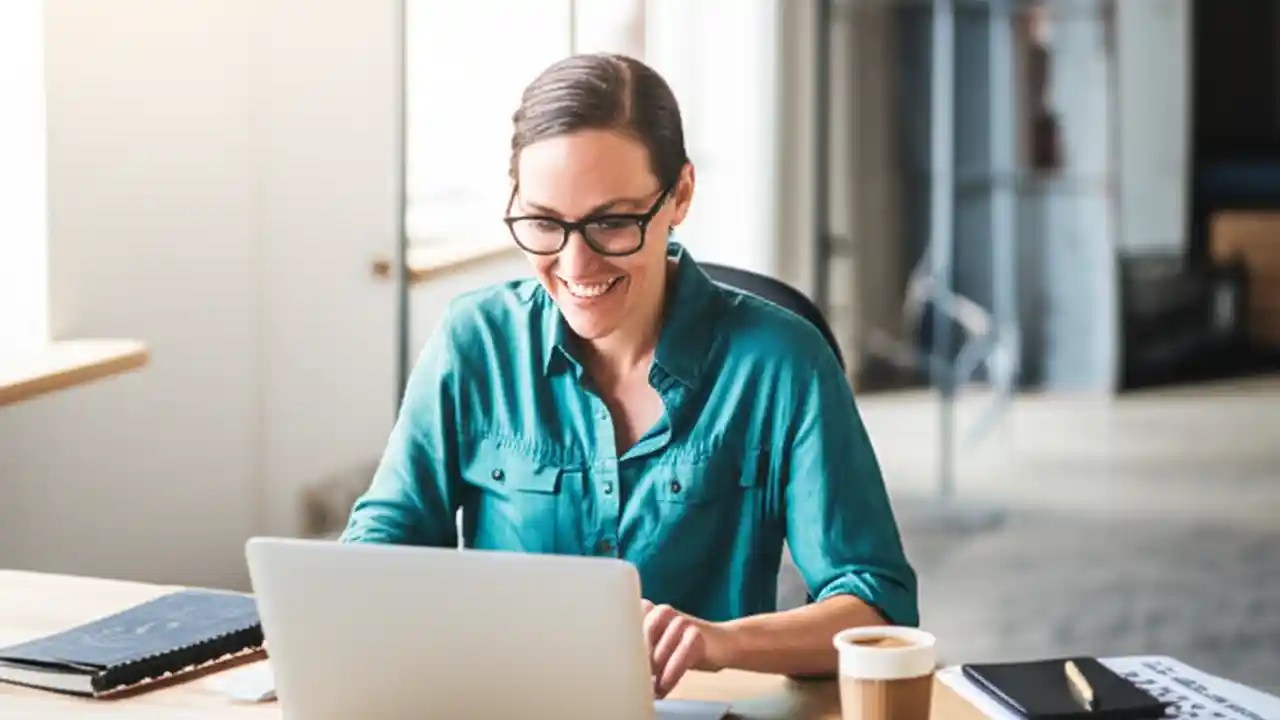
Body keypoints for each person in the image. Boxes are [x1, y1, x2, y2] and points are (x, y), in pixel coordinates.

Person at [341, 53, 917, 698]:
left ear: (681, 196)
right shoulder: (474, 340)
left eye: (612, 222)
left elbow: (878, 608)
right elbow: (384, 541)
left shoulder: (780, 361)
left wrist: (721, 642)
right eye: (543, 223)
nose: (574, 262)